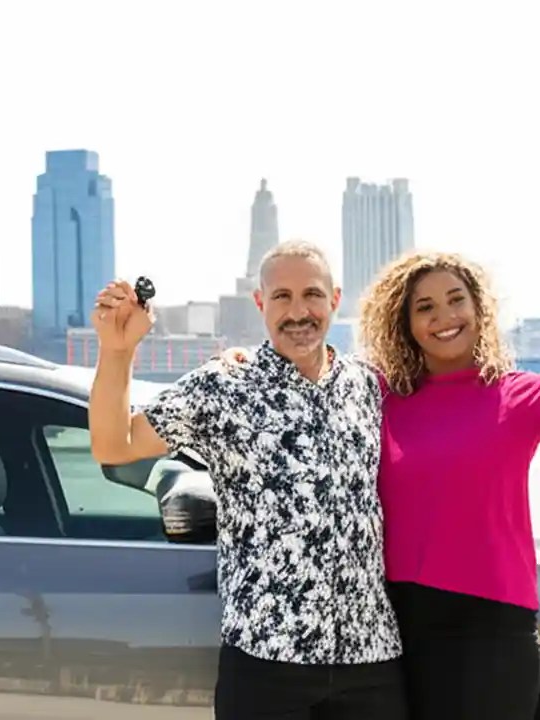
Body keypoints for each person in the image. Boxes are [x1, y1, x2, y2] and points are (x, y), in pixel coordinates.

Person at [222, 243, 540, 719]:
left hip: (488, 632)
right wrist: (245, 364)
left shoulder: (518, 397)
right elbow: (305, 379)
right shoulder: (378, 395)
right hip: (394, 628)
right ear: (406, 323)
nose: (444, 316)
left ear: (478, 308)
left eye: (456, 299)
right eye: (425, 307)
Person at [87, 239, 408, 719]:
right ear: (261, 303)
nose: (298, 311)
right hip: (266, 660)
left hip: (371, 658)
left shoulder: (367, 386)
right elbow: (115, 446)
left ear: (335, 299)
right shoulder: (224, 388)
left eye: (312, 295)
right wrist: (118, 351)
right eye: (282, 297)